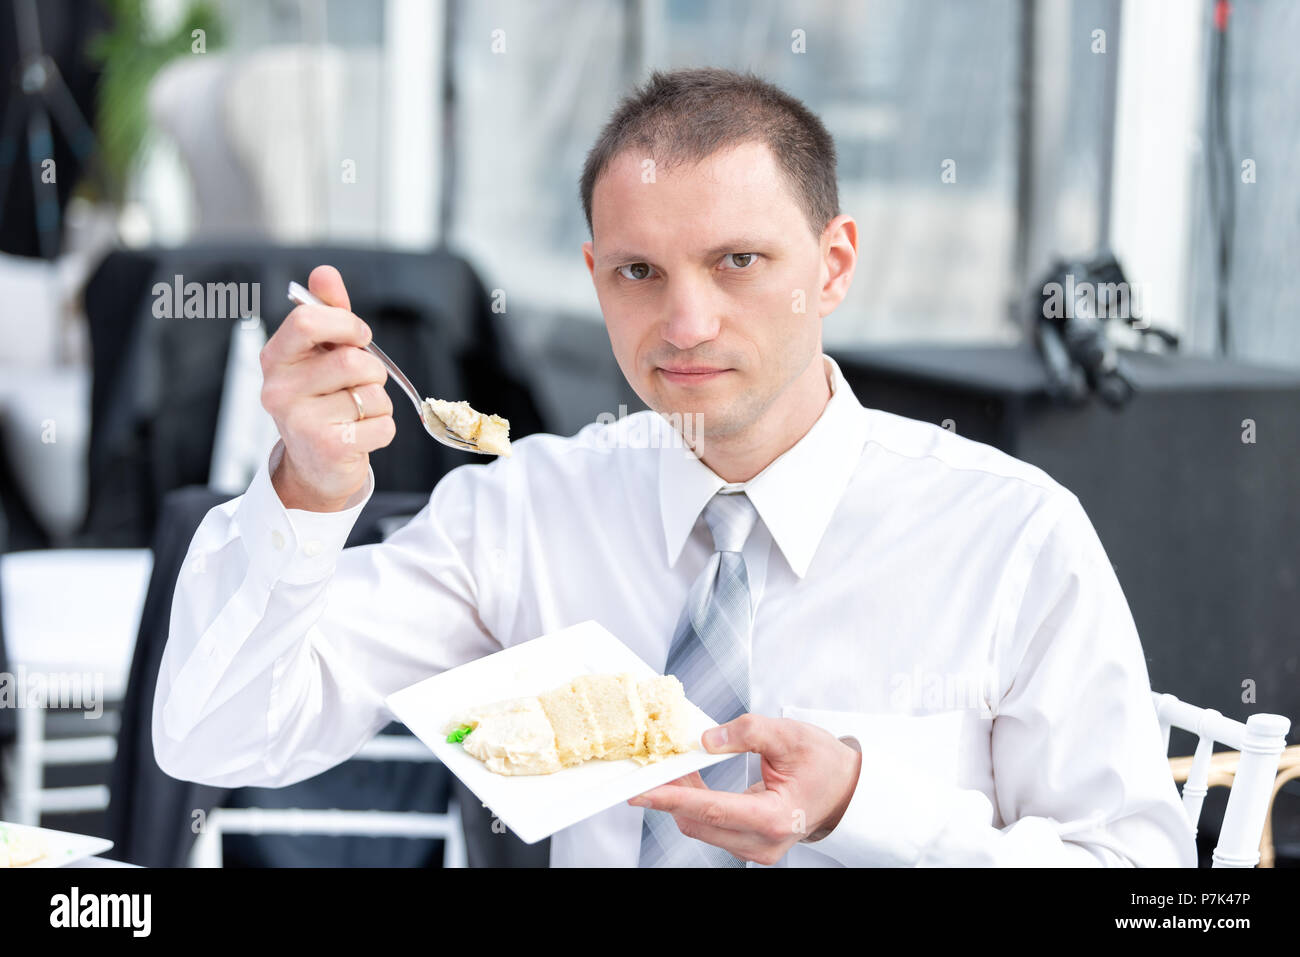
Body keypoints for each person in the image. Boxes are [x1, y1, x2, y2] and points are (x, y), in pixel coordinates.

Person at [153, 67, 1196, 867]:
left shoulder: (1008, 534)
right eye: (639, 272)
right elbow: (214, 740)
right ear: (594, 278)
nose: (685, 322)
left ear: (832, 265)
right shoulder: (527, 513)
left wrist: (861, 809)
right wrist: (309, 493)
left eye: (737, 262)